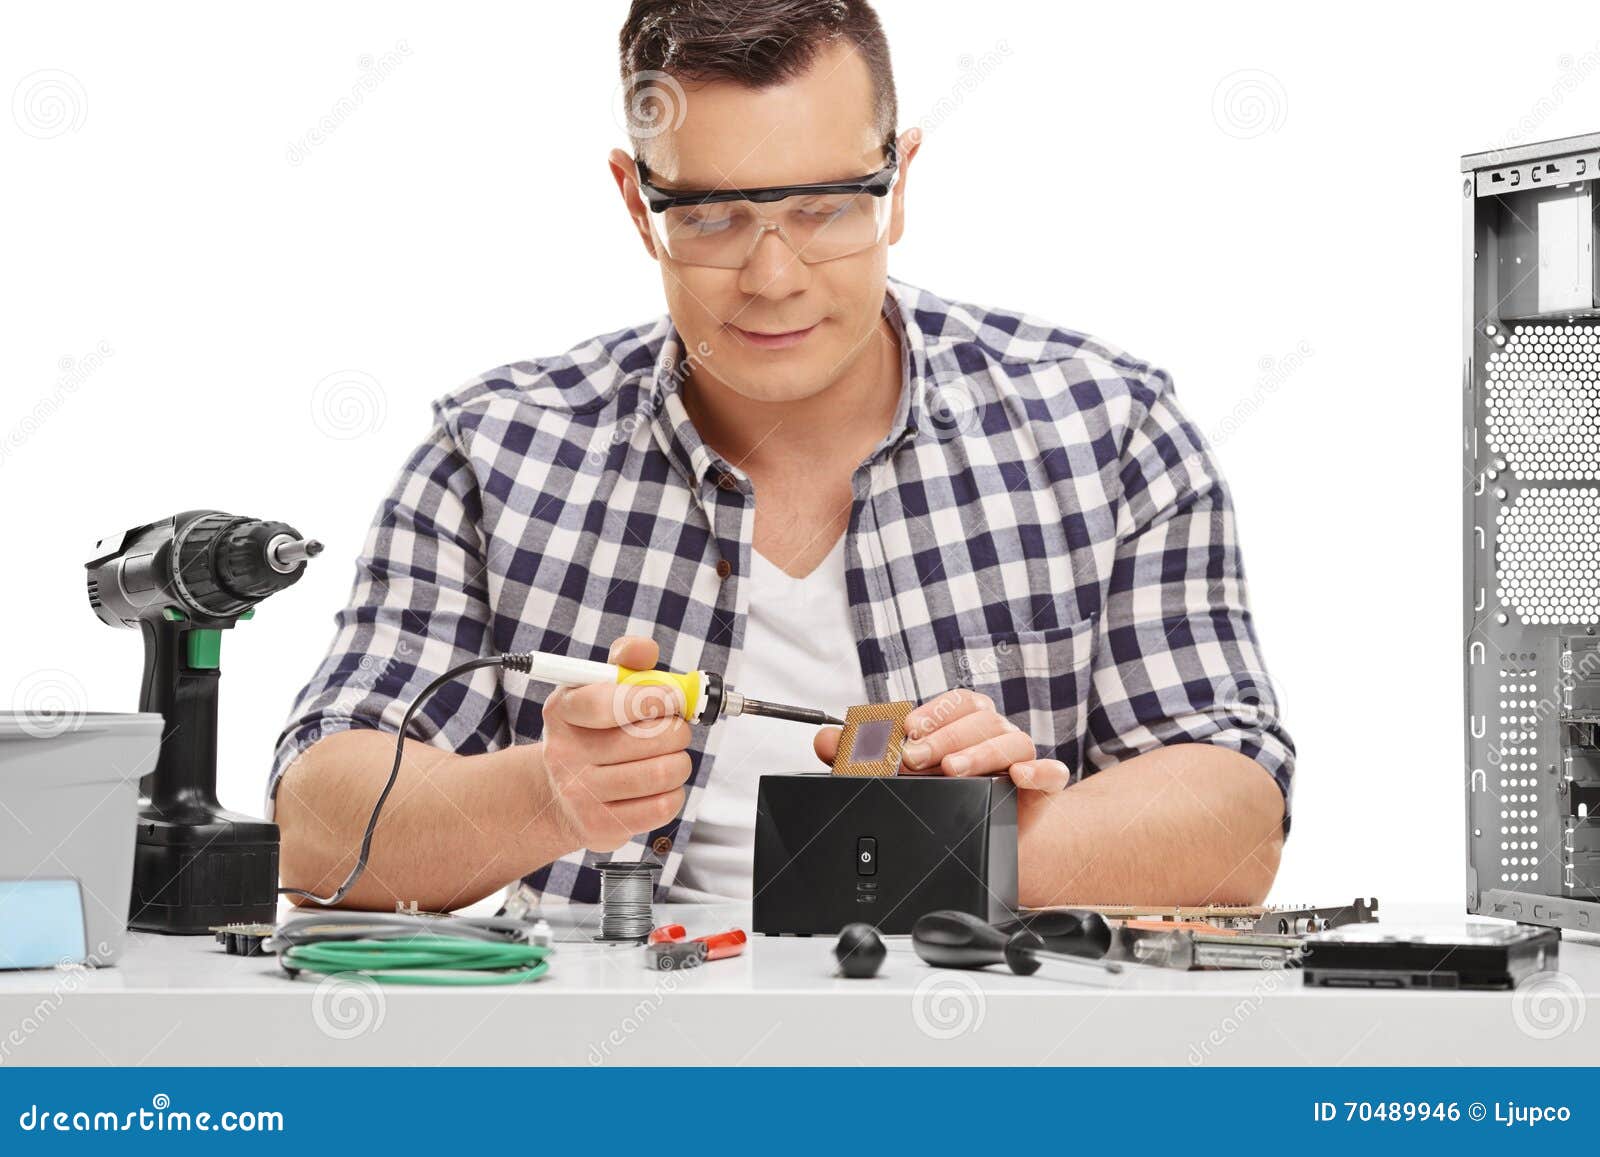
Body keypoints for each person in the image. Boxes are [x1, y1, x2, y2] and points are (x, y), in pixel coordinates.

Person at [271, 0, 1293, 914]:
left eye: (821, 210)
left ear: (898, 184)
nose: (772, 276)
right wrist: (546, 793)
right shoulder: (495, 453)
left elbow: (1236, 813)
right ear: (637, 202)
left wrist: (954, 846)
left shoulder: (1104, 431)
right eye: (712, 215)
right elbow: (318, 827)